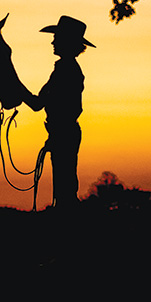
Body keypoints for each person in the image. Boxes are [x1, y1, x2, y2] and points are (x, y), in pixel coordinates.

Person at [28, 15, 94, 210]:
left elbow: (39, 103)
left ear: (66, 42)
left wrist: (16, 92)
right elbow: (41, 102)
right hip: (63, 131)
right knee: (65, 182)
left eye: (57, 37)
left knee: (64, 185)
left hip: (62, 131)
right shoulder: (66, 68)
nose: (53, 41)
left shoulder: (66, 70)